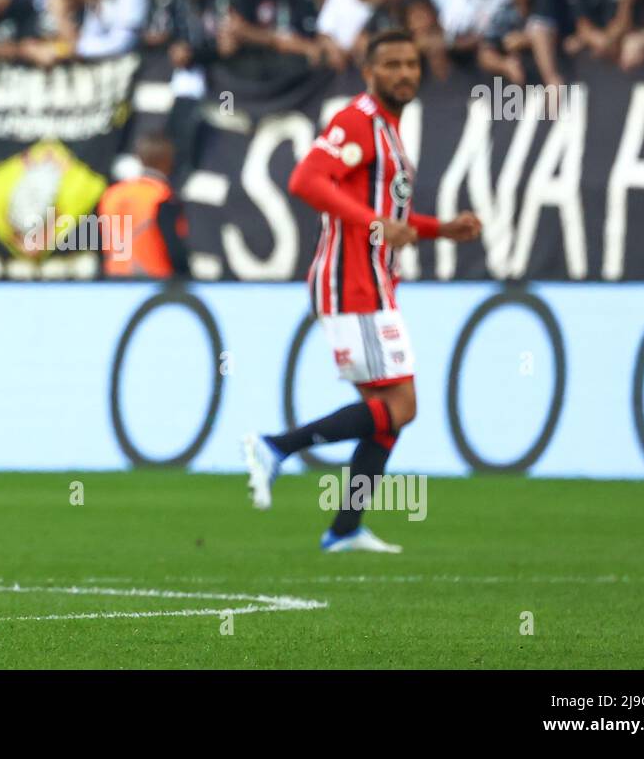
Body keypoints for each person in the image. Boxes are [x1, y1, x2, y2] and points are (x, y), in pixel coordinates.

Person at [241, 30, 483, 552]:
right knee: (403, 405)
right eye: (392, 64)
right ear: (369, 71)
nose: (404, 73)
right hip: (353, 281)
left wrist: (442, 229)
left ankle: (344, 529)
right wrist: (374, 220)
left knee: (385, 416)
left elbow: (389, 218)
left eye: (411, 63)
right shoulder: (358, 120)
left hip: (371, 280)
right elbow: (306, 179)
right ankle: (276, 446)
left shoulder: (390, 131)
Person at [96, 133, 189, 278]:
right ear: (168, 160)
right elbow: (174, 247)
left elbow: (99, 241)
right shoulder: (162, 196)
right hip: (154, 281)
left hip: (113, 279)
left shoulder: (111, 194)